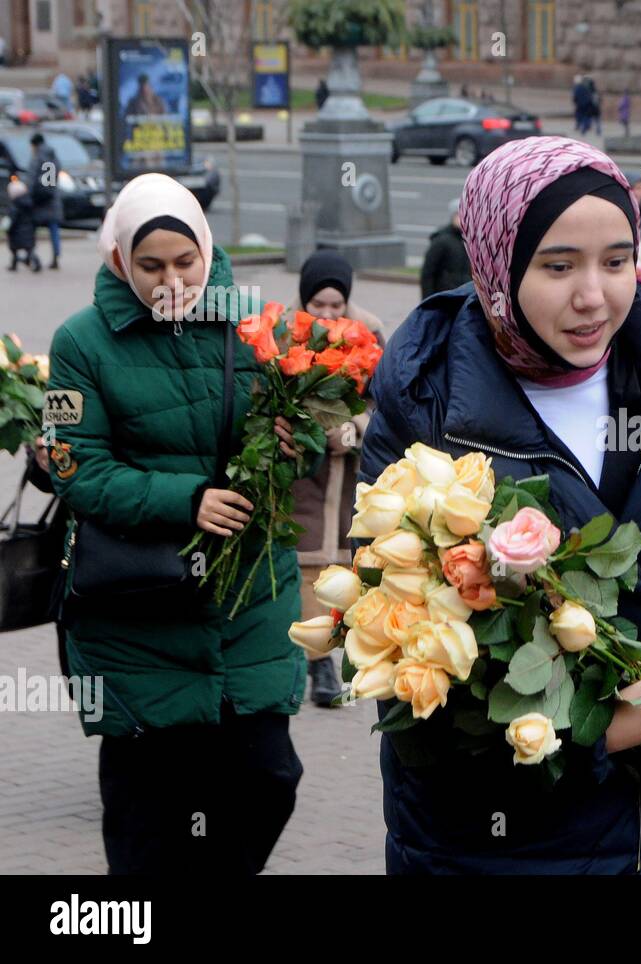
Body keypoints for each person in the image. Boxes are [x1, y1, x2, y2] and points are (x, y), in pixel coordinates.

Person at [359, 136, 641, 874]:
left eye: (617, 261)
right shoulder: (425, 398)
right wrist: (601, 728)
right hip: (500, 842)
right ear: (495, 262)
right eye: (557, 266)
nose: (594, 296)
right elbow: (403, 660)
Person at [45, 173, 312, 874]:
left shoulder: (256, 324)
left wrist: (297, 441)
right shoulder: (80, 342)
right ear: (117, 263)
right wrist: (186, 498)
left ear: (208, 251)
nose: (171, 280)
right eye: (151, 264)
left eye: (185, 262)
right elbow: (75, 468)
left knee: (267, 778)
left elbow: (303, 440)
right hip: (140, 609)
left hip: (247, 600)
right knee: (149, 818)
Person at [287, 250, 385, 707]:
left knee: (347, 568)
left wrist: (349, 429)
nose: (326, 314)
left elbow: (384, 403)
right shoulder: (287, 337)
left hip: (350, 475)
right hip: (303, 476)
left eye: (335, 305)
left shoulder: (371, 336)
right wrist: (311, 427)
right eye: (318, 304)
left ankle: (350, 657)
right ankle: (320, 667)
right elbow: (272, 394)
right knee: (308, 566)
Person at [419, 197, 471, 299]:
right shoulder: (441, 240)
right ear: (452, 216)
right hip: (445, 297)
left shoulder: (469, 240)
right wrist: (428, 301)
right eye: (458, 214)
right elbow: (428, 273)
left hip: (464, 295)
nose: (462, 218)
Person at [25, 132, 61, 271]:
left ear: (34, 144)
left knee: (31, 228)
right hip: (52, 198)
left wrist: (28, 194)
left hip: (38, 200)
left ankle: (31, 254)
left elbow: (32, 178)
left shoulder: (37, 157)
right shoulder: (52, 156)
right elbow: (53, 177)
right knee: (53, 229)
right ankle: (56, 256)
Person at [6, 177, 41, 272]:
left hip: (16, 233)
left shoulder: (14, 206)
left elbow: (11, 220)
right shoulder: (29, 203)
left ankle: (14, 264)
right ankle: (35, 261)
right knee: (29, 249)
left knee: (14, 250)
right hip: (29, 231)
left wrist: (7, 229)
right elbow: (35, 217)